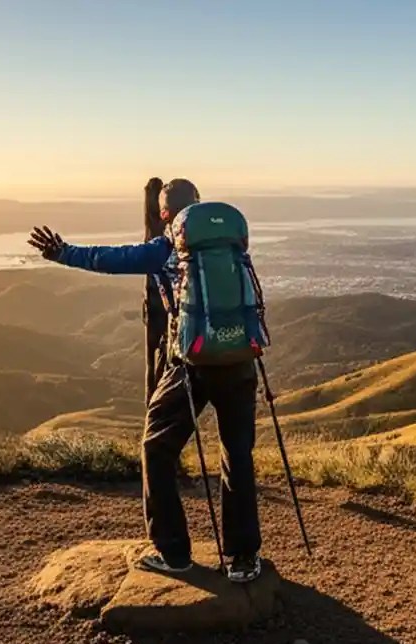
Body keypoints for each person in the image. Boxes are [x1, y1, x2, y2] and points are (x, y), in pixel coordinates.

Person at [27, 179, 264, 583]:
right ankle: (243, 559)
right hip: (242, 361)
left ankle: (174, 553)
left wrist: (62, 252)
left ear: (164, 215)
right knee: (237, 455)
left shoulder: (166, 248)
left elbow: (110, 258)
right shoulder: (228, 244)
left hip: (191, 365)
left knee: (156, 448)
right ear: (199, 206)